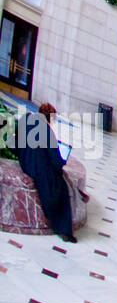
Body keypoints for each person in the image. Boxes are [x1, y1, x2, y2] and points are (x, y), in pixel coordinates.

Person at [16, 104, 83, 243]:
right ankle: (64, 230)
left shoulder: (26, 119)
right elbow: (56, 161)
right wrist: (61, 164)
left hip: (25, 163)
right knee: (62, 187)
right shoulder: (46, 131)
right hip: (38, 169)